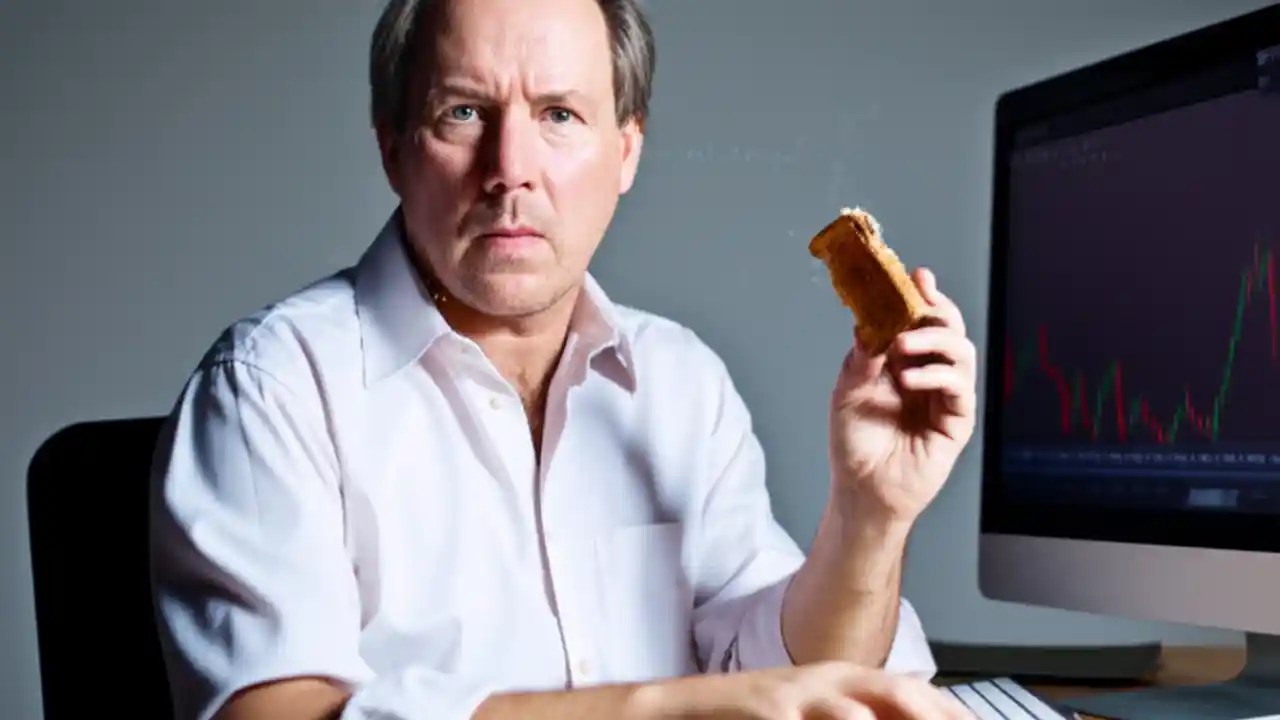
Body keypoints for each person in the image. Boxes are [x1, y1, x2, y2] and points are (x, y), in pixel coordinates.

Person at [147, 0, 979, 718]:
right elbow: (273, 714)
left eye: (559, 115)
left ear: (626, 152)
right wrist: (676, 706)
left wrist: (870, 518)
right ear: (393, 149)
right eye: (464, 112)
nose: (511, 170)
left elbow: (799, 678)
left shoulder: (681, 381)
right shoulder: (271, 388)